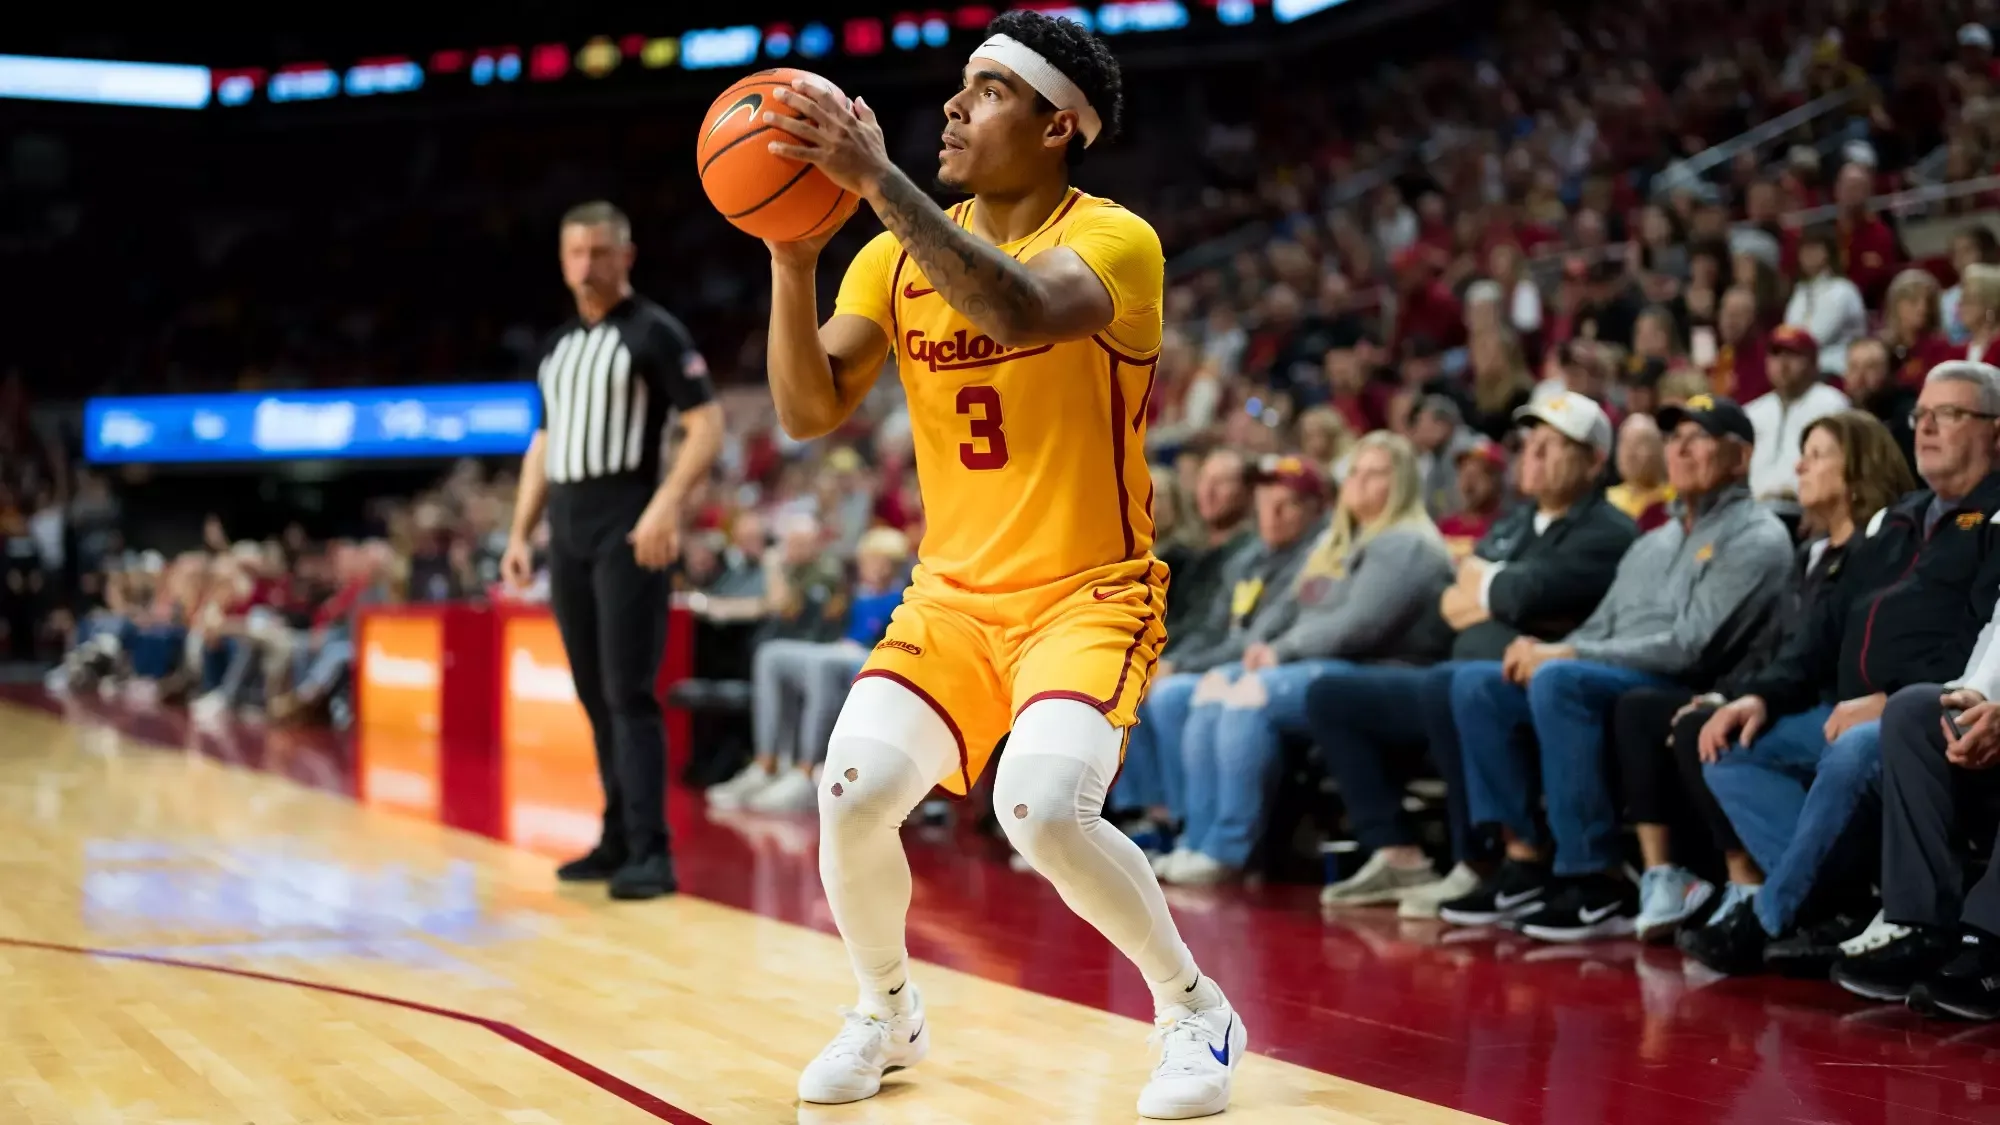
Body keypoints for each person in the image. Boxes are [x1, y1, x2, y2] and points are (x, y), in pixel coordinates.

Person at [757, 13, 1245, 1115]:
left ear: (1058, 125)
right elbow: (806, 409)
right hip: (951, 602)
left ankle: (1194, 1009)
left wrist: (877, 183)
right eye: (961, 85)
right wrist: (791, 259)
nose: (951, 105)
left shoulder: (1116, 240)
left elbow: (1016, 309)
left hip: (1087, 593)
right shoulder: (887, 257)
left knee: (1045, 808)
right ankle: (886, 1010)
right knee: (849, 793)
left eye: (985, 90)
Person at [1439, 395, 1794, 940]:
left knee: (1559, 679)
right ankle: (1523, 859)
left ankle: (1595, 876)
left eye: (1698, 439)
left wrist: (1568, 655)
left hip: (1692, 683)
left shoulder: (1756, 536)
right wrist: (1544, 647)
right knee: (1479, 683)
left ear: (1740, 457)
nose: (1680, 450)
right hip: (1617, 670)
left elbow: (1690, 647)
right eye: (1674, 439)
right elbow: (1600, 626)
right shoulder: (1654, 542)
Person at [1311, 392, 1634, 917]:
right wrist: (1495, 594)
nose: (1534, 453)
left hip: (1528, 682)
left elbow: (1522, 596)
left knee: (1453, 684)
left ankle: (1484, 858)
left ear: (1595, 461)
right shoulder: (1514, 523)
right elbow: (1450, 605)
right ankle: (1396, 851)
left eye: (1554, 445)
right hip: (1462, 668)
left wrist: (1492, 593)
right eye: (1531, 442)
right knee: (1330, 693)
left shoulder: (1609, 531)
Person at [501, 201, 724, 900]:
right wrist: (519, 532)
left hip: (628, 521)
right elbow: (542, 444)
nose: (587, 265)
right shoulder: (558, 347)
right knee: (595, 693)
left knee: (629, 691)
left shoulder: (654, 332)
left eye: (600, 252)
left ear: (626, 256)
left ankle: (653, 850)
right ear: (562, 260)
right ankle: (618, 836)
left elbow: (707, 424)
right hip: (567, 529)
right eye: (576, 252)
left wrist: (665, 505)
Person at [1653, 412, 1912, 967]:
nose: (1799, 467)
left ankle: (1772, 909)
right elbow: (1776, 648)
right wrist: (1733, 695)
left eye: (1817, 455)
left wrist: (1758, 696)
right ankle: (1826, 899)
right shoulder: (1810, 553)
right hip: (1803, 700)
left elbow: (1819, 652)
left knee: (1725, 735)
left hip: (1844, 704)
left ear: (1859, 468)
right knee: (1720, 744)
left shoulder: (1882, 546)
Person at [1159, 434, 1455, 886]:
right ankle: (1196, 839)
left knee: (1249, 694)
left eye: (1375, 474)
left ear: (1403, 484)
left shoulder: (1406, 544)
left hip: (1380, 672)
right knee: (1212, 687)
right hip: (1325, 664)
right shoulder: (1339, 545)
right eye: (1355, 472)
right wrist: (1258, 651)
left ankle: (1230, 849)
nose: (1359, 482)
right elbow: (1290, 611)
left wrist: (1280, 653)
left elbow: (1359, 626)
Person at [1745, 326, 1851, 503]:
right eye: (1776, 354)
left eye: (1793, 355)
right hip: (1755, 507)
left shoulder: (1832, 404)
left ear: (1813, 362)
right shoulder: (1752, 411)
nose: (1783, 364)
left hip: (1807, 506)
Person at [1782, 229, 1867, 375]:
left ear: (1828, 252)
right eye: (1804, 250)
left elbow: (1818, 335)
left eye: (1814, 248)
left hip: (1837, 368)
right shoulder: (1800, 290)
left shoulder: (1842, 289)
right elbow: (1789, 329)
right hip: (1805, 369)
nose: (1807, 255)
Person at [1844, 337, 1919, 471]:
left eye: (1871, 368)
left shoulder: (1907, 418)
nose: (1860, 377)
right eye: (1853, 367)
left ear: (1891, 373)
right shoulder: (1843, 414)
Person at [1604, 412, 1674, 532]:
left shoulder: (1674, 500)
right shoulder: (1608, 500)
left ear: (1658, 448)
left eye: (1639, 444)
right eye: (1625, 443)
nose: (1630, 453)